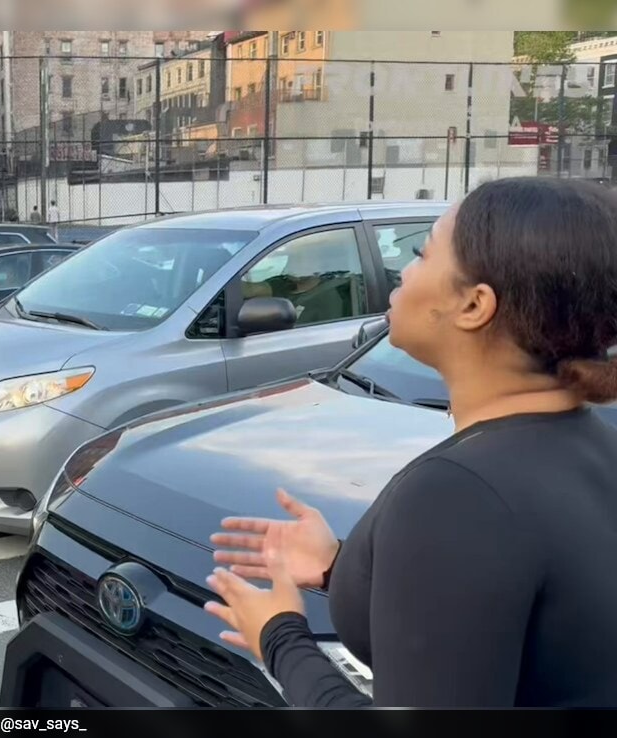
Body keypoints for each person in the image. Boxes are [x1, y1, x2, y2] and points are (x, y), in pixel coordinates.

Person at [205, 176, 617, 708]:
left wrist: (279, 636)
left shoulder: (458, 495)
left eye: (421, 254)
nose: (402, 272)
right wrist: (342, 565)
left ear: (474, 306)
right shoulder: (594, 443)